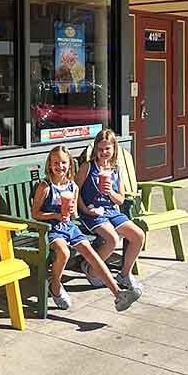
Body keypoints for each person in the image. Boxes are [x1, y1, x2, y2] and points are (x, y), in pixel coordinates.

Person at [31, 145, 139, 312]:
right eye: (56, 163)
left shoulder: (73, 187)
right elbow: (35, 214)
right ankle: (55, 285)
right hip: (50, 228)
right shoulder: (45, 187)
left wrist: (73, 210)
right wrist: (55, 215)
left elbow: (73, 215)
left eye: (64, 162)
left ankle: (118, 294)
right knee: (64, 252)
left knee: (91, 254)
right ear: (50, 165)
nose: (60, 166)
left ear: (69, 165)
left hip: (68, 226)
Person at [75, 129, 145, 298]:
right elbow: (75, 189)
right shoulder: (88, 167)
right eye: (100, 149)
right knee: (112, 239)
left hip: (112, 211)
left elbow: (120, 200)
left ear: (114, 149)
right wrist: (84, 210)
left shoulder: (116, 170)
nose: (104, 152)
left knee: (138, 236)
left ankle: (125, 274)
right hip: (93, 213)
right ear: (95, 150)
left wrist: (110, 193)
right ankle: (91, 269)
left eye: (108, 148)